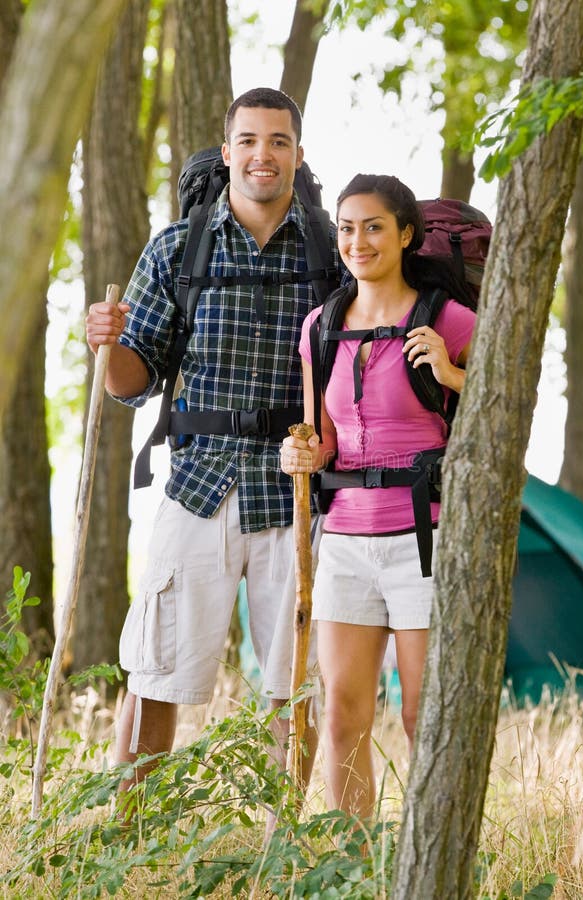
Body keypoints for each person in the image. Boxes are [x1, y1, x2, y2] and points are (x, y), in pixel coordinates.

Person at [85, 87, 343, 809]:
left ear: (297, 152)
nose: (264, 154)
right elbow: (132, 380)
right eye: (250, 141)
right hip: (196, 484)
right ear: (228, 152)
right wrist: (108, 344)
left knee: (294, 682)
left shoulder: (331, 253)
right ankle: (129, 826)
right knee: (155, 669)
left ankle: (281, 836)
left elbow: (351, 377)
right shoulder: (177, 247)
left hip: (294, 494)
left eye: (279, 141)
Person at [280, 174, 477, 822]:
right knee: (342, 717)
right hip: (344, 543)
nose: (357, 241)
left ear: (405, 235)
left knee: (426, 717)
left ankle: (432, 866)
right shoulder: (320, 327)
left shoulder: (449, 319)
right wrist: (303, 453)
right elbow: (324, 437)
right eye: (346, 227)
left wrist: (453, 374)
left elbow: (502, 414)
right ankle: (354, 868)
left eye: (372, 227)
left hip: (424, 538)